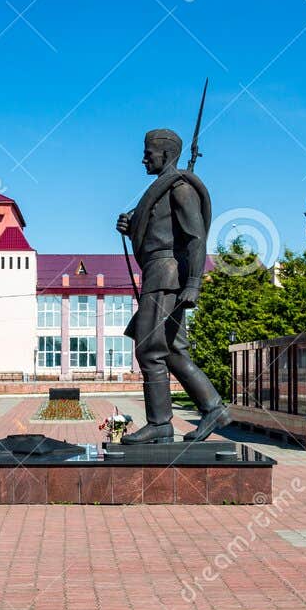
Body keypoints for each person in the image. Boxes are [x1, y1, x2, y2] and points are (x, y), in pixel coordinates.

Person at [115, 128, 231, 444]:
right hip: (157, 274)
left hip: (167, 277)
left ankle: (160, 423)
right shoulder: (160, 191)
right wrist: (131, 226)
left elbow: (195, 238)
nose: (143, 159)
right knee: (173, 350)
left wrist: (194, 282)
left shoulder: (180, 189)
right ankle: (213, 407)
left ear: (165, 155)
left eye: (148, 153)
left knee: (150, 350)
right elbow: (158, 232)